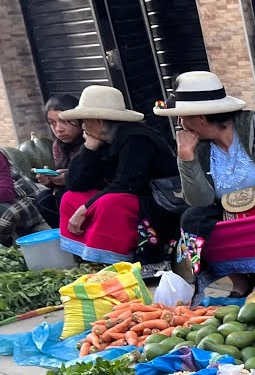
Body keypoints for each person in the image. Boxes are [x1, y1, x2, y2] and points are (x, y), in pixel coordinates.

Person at [155, 71, 255, 296]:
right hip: (229, 213)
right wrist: (186, 158)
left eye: (182, 117)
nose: (180, 124)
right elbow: (200, 200)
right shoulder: (201, 148)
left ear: (201, 117)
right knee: (192, 220)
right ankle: (239, 279)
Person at [58, 86, 183, 268]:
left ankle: (116, 260)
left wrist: (86, 208)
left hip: (158, 201)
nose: (83, 126)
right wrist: (89, 147)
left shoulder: (136, 139)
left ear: (99, 122)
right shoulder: (102, 140)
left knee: (109, 202)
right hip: (127, 196)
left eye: (85, 121)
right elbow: (75, 183)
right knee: (71, 198)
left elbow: (127, 185)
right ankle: (91, 256)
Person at [35, 94, 85, 227]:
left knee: (65, 195)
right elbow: (61, 180)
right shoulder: (58, 145)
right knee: (43, 199)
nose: (59, 129)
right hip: (69, 195)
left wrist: (71, 177)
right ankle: (65, 238)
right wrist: (51, 180)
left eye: (64, 121)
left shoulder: (92, 142)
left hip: (93, 195)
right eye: (52, 123)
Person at [0, 152, 44, 245]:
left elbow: (7, 192)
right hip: (6, 200)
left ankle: (8, 242)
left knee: (4, 213)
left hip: (25, 201)